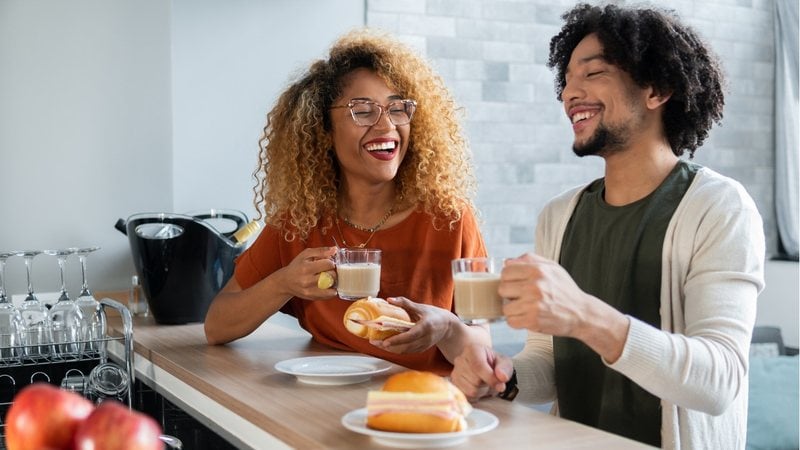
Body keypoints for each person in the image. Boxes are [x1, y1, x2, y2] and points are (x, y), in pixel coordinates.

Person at [450, 4, 765, 449]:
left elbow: (719, 383)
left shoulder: (720, 207)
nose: (568, 95)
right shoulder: (559, 215)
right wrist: (505, 376)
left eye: (592, 74)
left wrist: (584, 314)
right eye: (566, 81)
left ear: (656, 89)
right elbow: (550, 361)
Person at [204, 29, 491, 376]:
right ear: (323, 130)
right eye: (363, 111)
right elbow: (217, 326)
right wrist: (284, 284)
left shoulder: (450, 217)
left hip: (423, 404)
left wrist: (446, 328)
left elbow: (481, 346)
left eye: (397, 109)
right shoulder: (300, 222)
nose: (387, 125)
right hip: (326, 403)